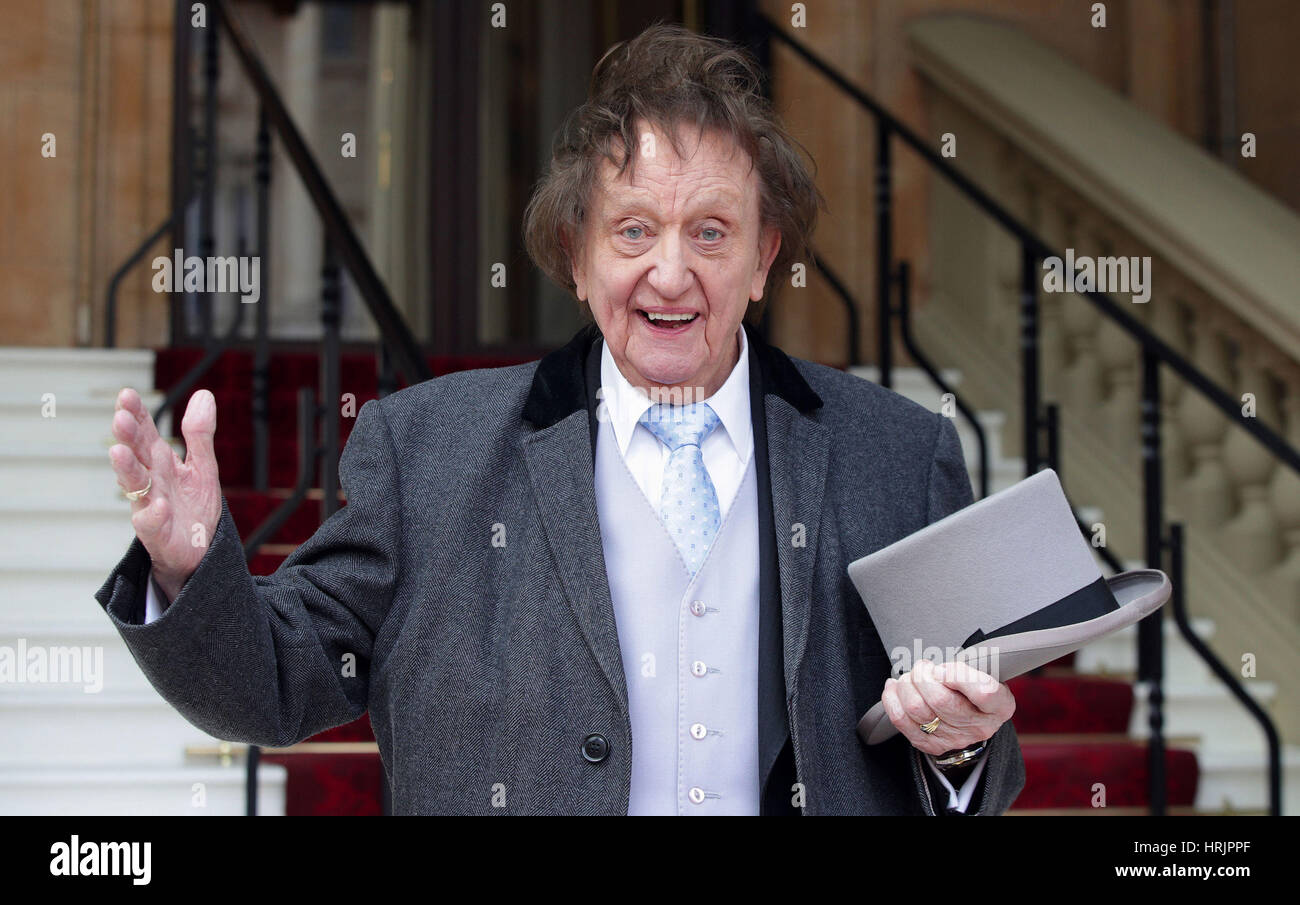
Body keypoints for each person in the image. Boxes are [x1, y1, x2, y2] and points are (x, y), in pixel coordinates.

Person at [99, 24, 1023, 815]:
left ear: (763, 257)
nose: (670, 273)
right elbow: (274, 681)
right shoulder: (427, 452)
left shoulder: (900, 455)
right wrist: (191, 570)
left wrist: (959, 748)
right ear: (576, 257)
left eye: (710, 231)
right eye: (632, 231)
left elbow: (974, 742)